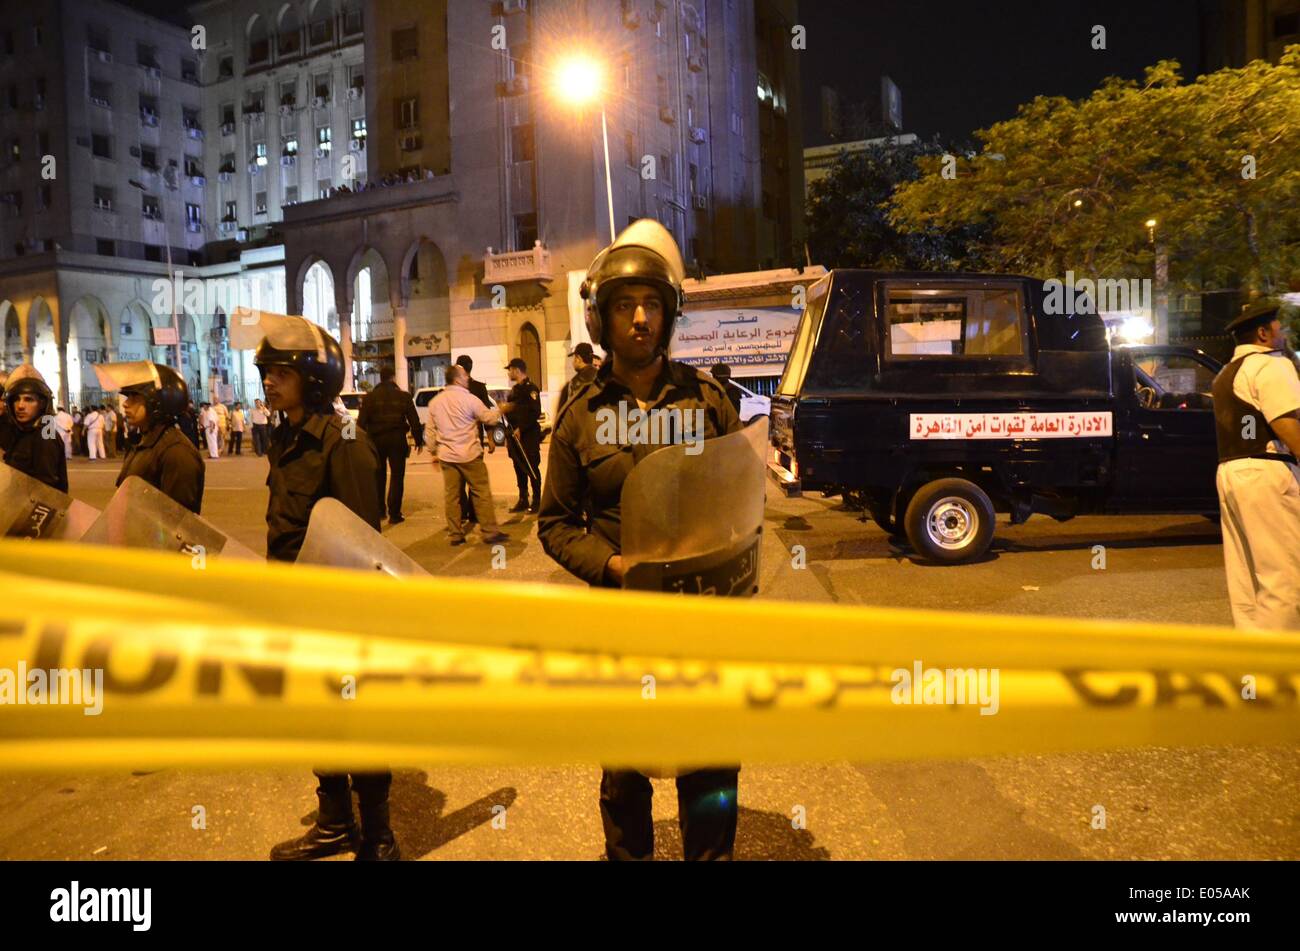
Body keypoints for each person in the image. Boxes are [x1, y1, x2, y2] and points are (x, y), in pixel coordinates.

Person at [537, 219, 743, 861]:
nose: (639, 319)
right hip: (622, 625)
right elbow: (556, 524)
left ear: (670, 315)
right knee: (625, 773)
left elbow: (743, 510)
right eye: (624, 306)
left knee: (710, 767)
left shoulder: (708, 402)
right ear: (601, 321)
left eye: (652, 305)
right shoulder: (579, 413)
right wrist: (614, 564)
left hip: (702, 625)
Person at [255, 314, 397, 862]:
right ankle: (334, 823)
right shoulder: (286, 436)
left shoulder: (346, 443)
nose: (269, 380)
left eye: (281, 372)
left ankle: (380, 838)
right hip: (297, 608)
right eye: (266, 370)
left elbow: (363, 542)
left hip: (341, 614)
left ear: (313, 378)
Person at [1212, 300, 1300, 630]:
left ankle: (1252, 670)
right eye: (1280, 328)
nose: (1285, 333)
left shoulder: (1226, 372)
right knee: (1285, 579)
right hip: (1267, 471)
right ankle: (1282, 670)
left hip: (1231, 472)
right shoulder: (1271, 365)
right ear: (1263, 334)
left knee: (1247, 583)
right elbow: (1285, 421)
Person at [94, 361, 206, 514]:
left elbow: (177, 521)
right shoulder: (144, 442)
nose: (126, 404)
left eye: (135, 397)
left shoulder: (177, 452)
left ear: (157, 402)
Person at [425, 364, 509, 546]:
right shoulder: (470, 400)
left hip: (447, 456)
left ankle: (456, 534)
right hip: (470, 454)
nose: (467, 378)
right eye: (464, 376)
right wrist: (501, 410)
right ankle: (489, 532)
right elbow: (489, 418)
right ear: (456, 379)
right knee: (481, 492)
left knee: (452, 496)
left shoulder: (435, 402)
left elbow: (430, 432)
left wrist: (433, 452)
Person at [358, 364, 423, 524]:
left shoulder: (369, 398)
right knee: (397, 476)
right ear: (392, 377)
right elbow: (414, 420)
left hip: (376, 440)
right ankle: (395, 513)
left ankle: (380, 510)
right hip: (396, 439)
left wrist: (357, 443)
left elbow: (360, 423)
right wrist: (418, 439)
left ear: (380, 378)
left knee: (378, 476)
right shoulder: (404, 397)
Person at [1, 364, 68, 492]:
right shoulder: (24, 432)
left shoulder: (45, 435)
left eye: (28, 400)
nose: (20, 406)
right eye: (16, 399)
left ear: (42, 403)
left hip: (33, 508)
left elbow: (46, 487)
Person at [453, 354, 494, 524]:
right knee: (476, 478)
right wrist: (490, 439)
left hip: (456, 438)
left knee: (459, 478)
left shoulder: (452, 388)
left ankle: (462, 512)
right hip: (475, 438)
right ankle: (474, 513)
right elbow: (486, 414)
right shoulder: (479, 387)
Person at [498, 357, 542, 513]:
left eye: (510, 369)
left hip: (528, 435)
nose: (509, 373)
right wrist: (506, 409)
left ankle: (537, 500)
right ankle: (523, 498)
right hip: (514, 436)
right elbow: (514, 410)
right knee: (519, 467)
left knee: (531, 467)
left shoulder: (531, 389)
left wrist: (521, 428)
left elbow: (535, 412)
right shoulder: (515, 390)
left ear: (516, 370)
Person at [557, 342, 599, 410]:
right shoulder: (601, 376)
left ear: (578, 359)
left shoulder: (574, 382)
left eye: (574, 358)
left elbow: (570, 410)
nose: (573, 362)